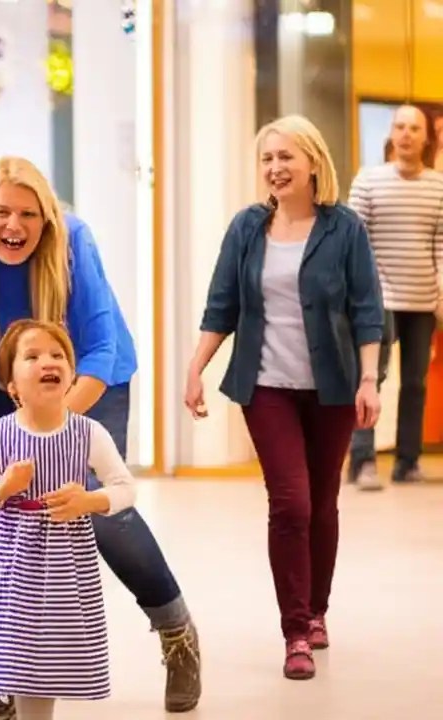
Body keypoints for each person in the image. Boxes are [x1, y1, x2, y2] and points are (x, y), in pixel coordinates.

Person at [0, 157, 201, 717]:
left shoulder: (73, 239)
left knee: (99, 518)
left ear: (47, 220)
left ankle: (177, 631)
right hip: (5, 382)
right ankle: (6, 671)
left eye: (29, 214)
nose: (14, 226)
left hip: (88, 380)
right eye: (2, 212)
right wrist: (3, 450)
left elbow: (98, 346)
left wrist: (57, 428)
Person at [185, 115, 383, 680]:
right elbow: (220, 305)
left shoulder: (344, 229)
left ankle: (317, 611)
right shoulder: (247, 228)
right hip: (266, 386)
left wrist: (369, 379)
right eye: (267, 158)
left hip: (335, 388)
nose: (275, 168)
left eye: (286, 157)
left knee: (322, 505)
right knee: (290, 503)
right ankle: (295, 630)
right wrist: (196, 368)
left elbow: (367, 309)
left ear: (313, 162)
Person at [0, 319, 137, 720]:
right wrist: (3, 488)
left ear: (72, 375)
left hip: (62, 570)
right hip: (10, 568)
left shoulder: (88, 433)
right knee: (12, 655)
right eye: (33, 356)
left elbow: (125, 488)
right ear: (12, 386)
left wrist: (89, 500)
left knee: (48, 661)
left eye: (58, 355)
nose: (48, 362)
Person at [345, 104, 442, 489]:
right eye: (399, 126)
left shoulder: (438, 186)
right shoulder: (368, 181)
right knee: (372, 377)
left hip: (422, 298)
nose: (406, 134)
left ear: (425, 137)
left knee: (416, 383)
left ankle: (407, 462)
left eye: (414, 128)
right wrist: (359, 293)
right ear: (391, 133)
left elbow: (440, 244)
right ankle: (363, 461)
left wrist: (439, 292)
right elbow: (355, 241)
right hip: (378, 298)